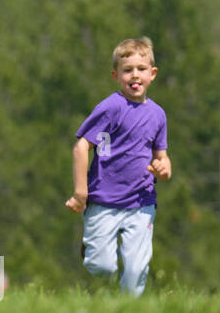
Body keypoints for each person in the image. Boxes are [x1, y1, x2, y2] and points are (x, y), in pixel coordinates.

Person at [65, 36, 170, 296]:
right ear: (116, 75)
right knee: (103, 267)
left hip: (141, 203)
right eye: (127, 70)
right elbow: (81, 147)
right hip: (103, 201)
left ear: (152, 74)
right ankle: (94, 252)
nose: (135, 75)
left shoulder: (158, 114)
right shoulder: (111, 107)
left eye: (141, 69)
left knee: (135, 272)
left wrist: (164, 168)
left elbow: (162, 156)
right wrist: (81, 193)